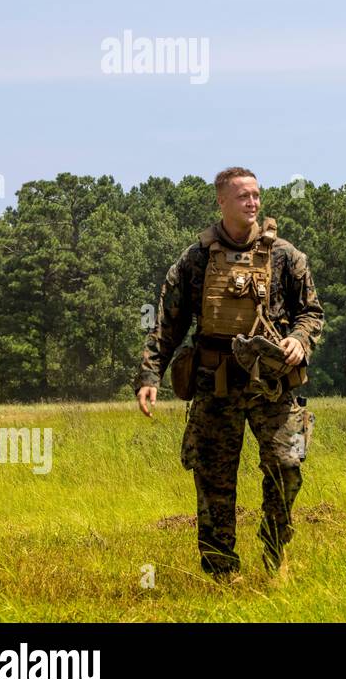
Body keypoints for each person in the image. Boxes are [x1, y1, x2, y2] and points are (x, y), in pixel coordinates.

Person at [136, 167, 324, 580]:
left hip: (271, 382)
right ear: (221, 202)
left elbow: (311, 313)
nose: (253, 202)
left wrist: (300, 339)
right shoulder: (196, 259)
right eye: (243, 196)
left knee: (286, 467)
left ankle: (276, 547)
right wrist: (150, 377)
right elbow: (167, 324)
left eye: (256, 195)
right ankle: (222, 571)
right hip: (214, 382)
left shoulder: (285, 256)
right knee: (213, 479)